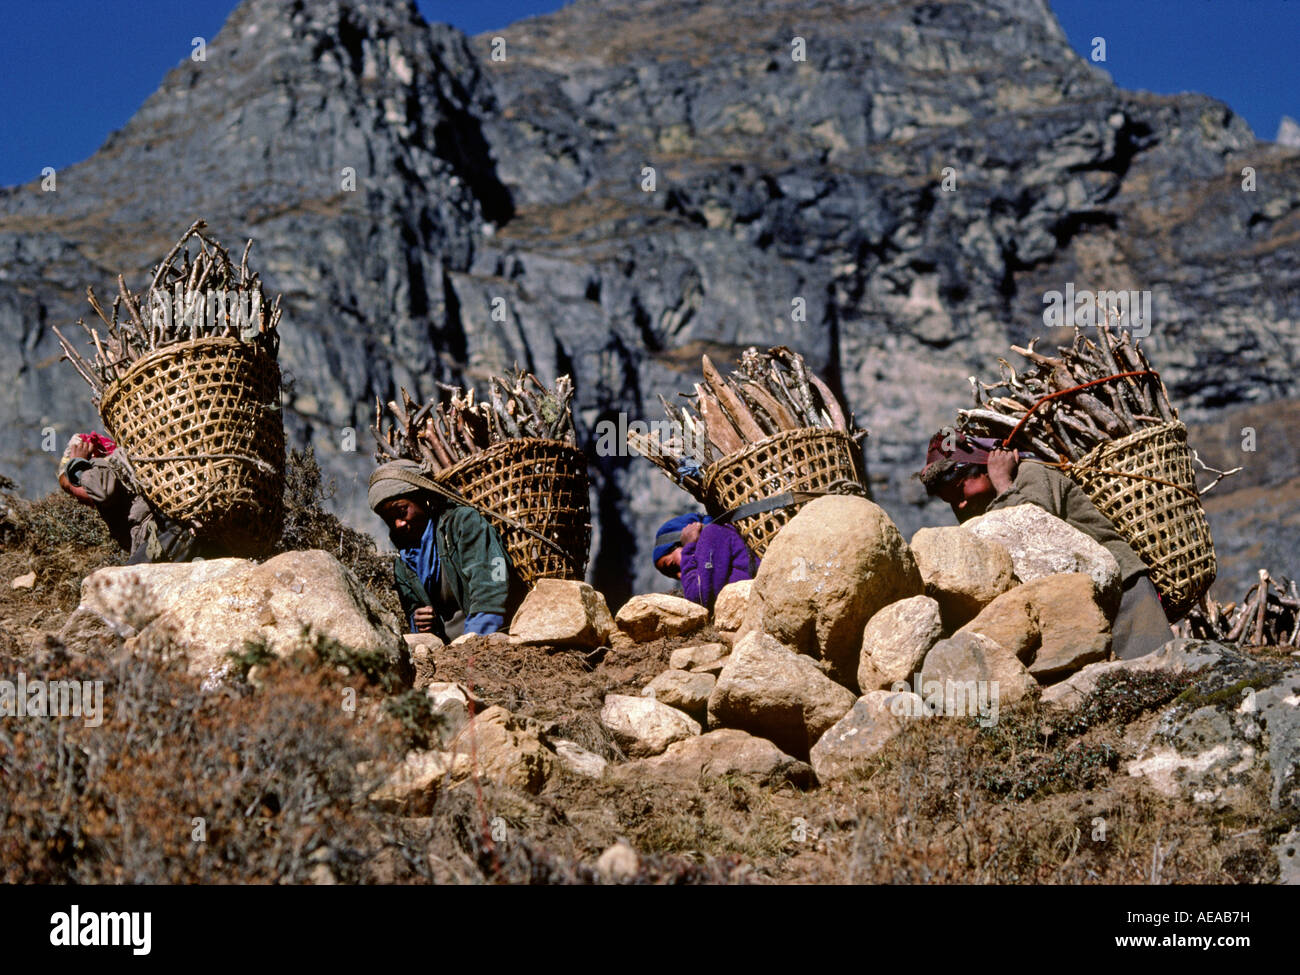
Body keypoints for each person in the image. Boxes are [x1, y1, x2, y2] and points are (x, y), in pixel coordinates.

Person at [917, 430, 1173, 659]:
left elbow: (1033, 530)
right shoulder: (981, 507)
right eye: (949, 501)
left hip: (1124, 586)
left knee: (1158, 665)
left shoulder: (1030, 474)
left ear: (985, 466)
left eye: (960, 490)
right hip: (1085, 601)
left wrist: (1003, 484)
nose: (959, 505)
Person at [369, 459, 522, 639]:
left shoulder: (462, 524)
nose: (398, 524)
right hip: (450, 649)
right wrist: (420, 622)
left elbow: (490, 587)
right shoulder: (403, 562)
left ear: (421, 498)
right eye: (389, 519)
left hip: (491, 634)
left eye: (402, 511)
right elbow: (413, 609)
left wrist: (474, 644)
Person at [57, 432, 200, 563]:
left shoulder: (103, 469)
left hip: (168, 532)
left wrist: (78, 465)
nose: (76, 498)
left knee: (129, 584)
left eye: (72, 487)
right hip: (168, 536)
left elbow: (102, 491)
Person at [653, 512, 758, 612]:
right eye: (674, 576)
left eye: (673, 565)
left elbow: (699, 598)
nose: (680, 575)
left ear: (682, 540)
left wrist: (688, 548)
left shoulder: (711, 534)